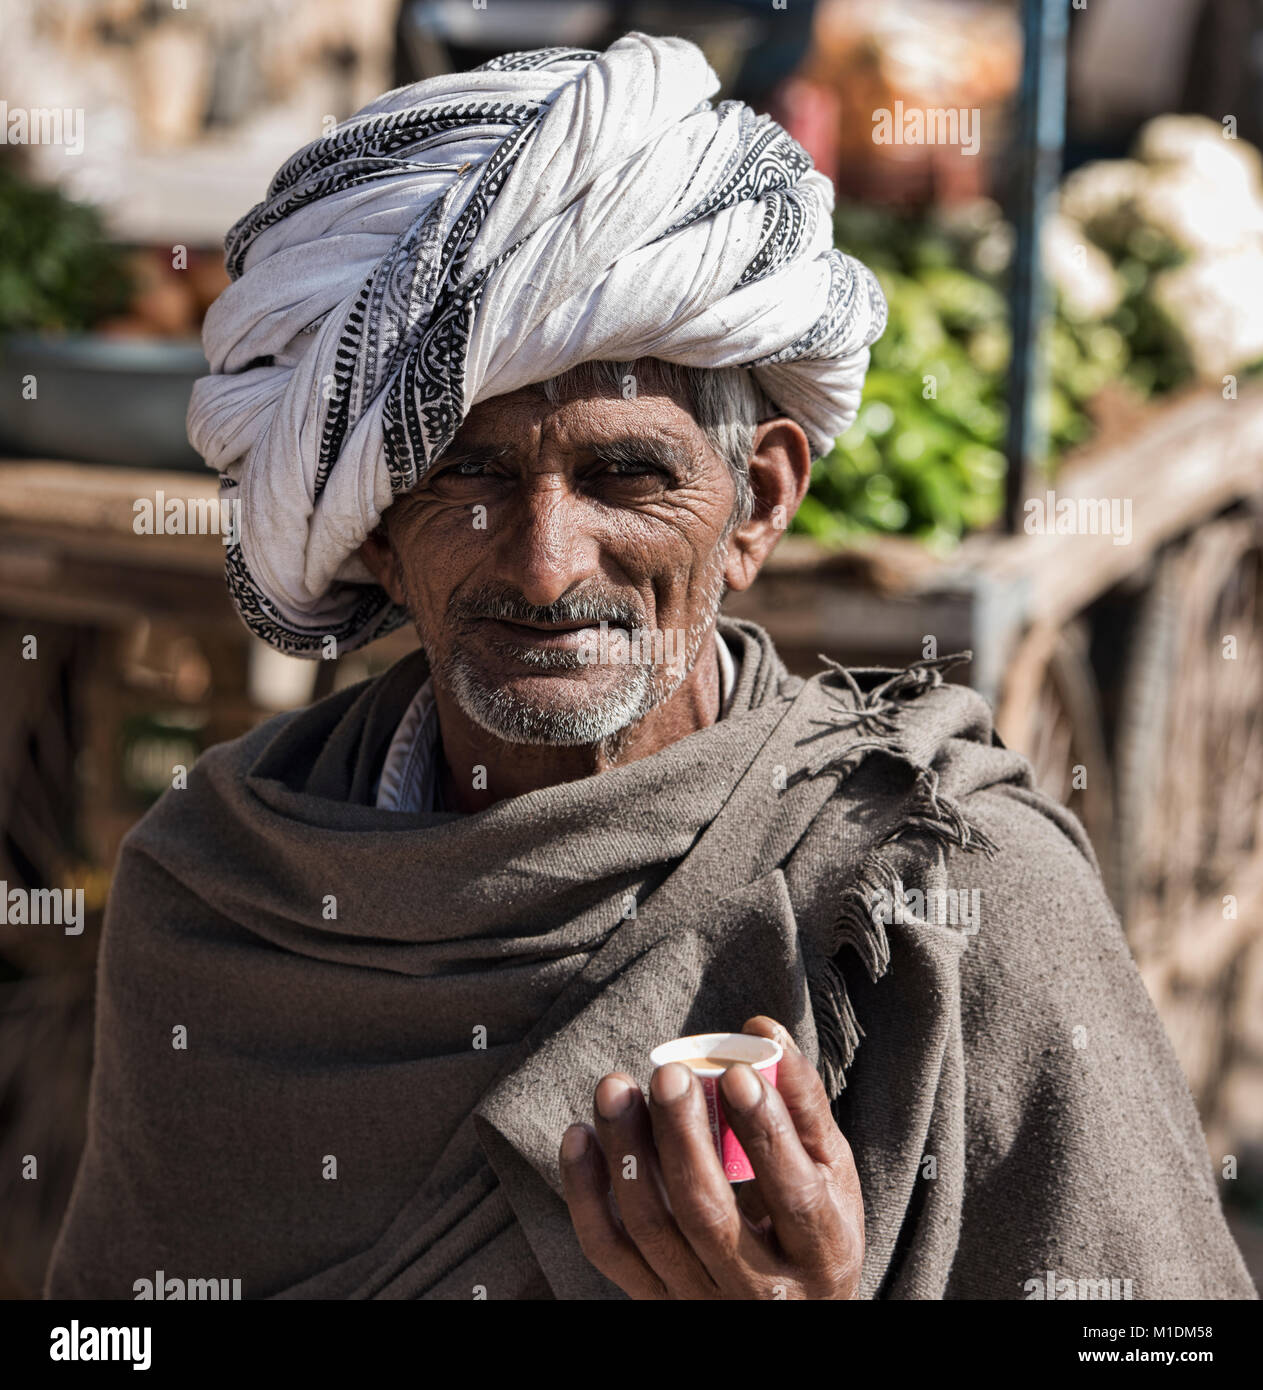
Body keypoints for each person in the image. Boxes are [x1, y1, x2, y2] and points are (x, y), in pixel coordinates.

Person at [47, 33, 1253, 1301]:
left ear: (759, 505)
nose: (548, 565)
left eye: (627, 474)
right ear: (375, 535)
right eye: (467, 475)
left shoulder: (954, 903)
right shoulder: (219, 890)